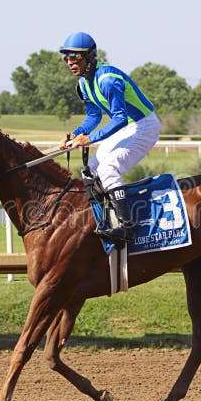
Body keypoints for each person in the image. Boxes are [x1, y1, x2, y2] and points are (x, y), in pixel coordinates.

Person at [58, 31, 161, 243]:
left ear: (90, 56)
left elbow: (120, 119)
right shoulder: (83, 83)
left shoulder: (107, 80)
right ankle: (103, 219)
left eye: (75, 57)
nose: (69, 62)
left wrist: (90, 139)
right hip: (127, 128)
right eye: (66, 57)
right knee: (91, 170)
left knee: (107, 169)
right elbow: (93, 116)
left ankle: (126, 225)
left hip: (144, 125)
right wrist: (75, 134)